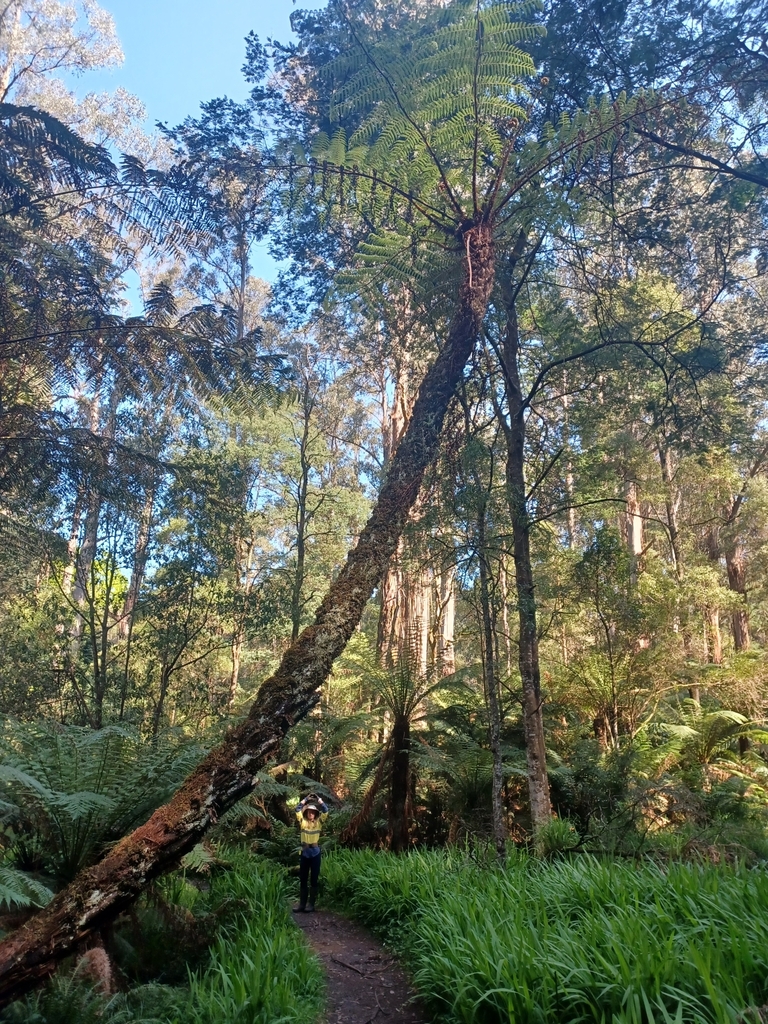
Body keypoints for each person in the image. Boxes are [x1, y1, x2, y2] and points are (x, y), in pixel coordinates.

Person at [293, 792, 329, 913]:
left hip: (315, 853)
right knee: (303, 878)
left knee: (313, 878)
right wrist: (306, 799)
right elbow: (297, 808)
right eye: (309, 812)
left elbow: (325, 809)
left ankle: (311, 904)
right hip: (305, 853)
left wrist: (318, 799)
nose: (311, 814)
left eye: (313, 812)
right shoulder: (302, 822)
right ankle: (302, 904)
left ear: (315, 814)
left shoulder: (319, 823)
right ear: (306, 813)